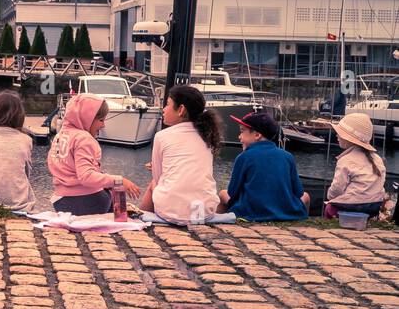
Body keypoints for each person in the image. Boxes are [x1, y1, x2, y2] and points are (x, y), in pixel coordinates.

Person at [139, 85, 221, 224]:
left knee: (154, 184)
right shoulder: (207, 135)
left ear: (181, 110)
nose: (164, 109)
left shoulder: (162, 136)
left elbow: (158, 179)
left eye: (168, 105)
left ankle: (139, 218)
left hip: (171, 212)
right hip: (204, 212)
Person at [48, 94, 141, 214]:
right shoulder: (84, 138)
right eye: (101, 120)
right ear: (87, 117)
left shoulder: (60, 136)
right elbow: (86, 176)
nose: (103, 125)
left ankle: (116, 213)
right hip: (85, 202)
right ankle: (121, 216)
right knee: (116, 187)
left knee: (108, 184)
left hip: (60, 201)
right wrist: (120, 180)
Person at [219, 109, 309, 221]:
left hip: (251, 212)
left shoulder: (243, 157)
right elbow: (299, 192)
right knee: (306, 196)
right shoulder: (288, 156)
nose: (239, 136)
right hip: (286, 212)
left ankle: (218, 223)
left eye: (242, 131)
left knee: (222, 193)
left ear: (257, 135)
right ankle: (303, 220)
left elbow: (232, 193)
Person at [324, 112, 386, 220]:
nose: (337, 136)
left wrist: (330, 197)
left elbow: (337, 188)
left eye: (340, 133)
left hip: (353, 206)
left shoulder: (345, 160)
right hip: (375, 205)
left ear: (348, 138)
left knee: (329, 208)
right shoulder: (377, 158)